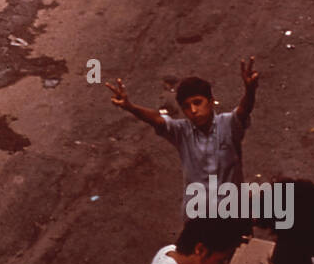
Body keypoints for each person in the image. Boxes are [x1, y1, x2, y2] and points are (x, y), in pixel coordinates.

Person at [105, 59, 259, 220]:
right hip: (197, 218)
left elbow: (244, 110)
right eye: (186, 106)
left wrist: (250, 90)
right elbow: (157, 120)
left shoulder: (228, 124)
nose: (193, 110)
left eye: (198, 103)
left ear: (210, 101)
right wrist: (130, 107)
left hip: (233, 214)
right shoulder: (182, 132)